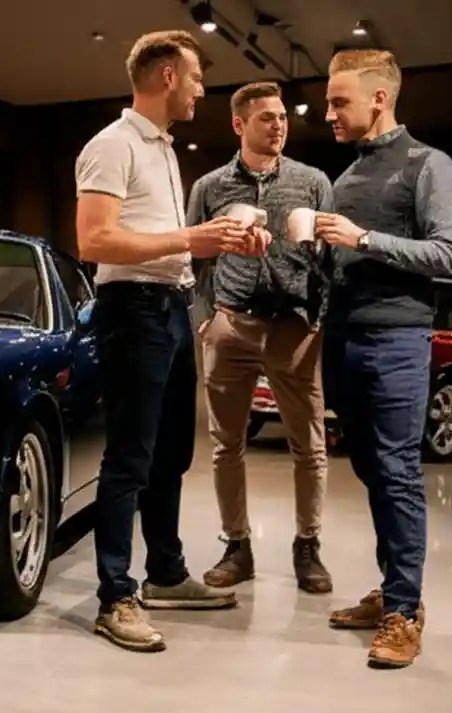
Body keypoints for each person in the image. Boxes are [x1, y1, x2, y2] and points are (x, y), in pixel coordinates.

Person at [74, 29, 266, 653]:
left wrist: (210, 242)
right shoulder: (112, 145)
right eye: (196, 78)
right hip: (132, 311)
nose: (201, 90)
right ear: (166, 77)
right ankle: (113, 597)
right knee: (128, 458)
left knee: (169, 456)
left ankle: (164, 574)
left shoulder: (160, 148)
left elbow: (157, 237)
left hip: (171, 309)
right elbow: (94, 242)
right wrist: (189, 239)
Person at [316, 49, 452, 669]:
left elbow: (450, 252)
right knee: (373, 471)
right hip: (343, 339)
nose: (327, 113)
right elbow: (343, 264)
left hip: (399, 342)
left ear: (379, 98)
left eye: (338, 101)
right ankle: (392, 589)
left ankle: (405, 610)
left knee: (398, 472)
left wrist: (363, 239)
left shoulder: (430, 165)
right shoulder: (347, 179)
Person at [186, 81, 336, 595]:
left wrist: (318, 316)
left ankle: (308, 544)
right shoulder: (210, 187)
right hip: (231, 326)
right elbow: (192, 259)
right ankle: (237, 545)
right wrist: (204, 318)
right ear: (239, 124)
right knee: (227, 445)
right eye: (267, 118)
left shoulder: (313, 181)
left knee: (309, 446)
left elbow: (333, 261)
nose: (279, 125)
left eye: (282, 117)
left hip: (294, 327)